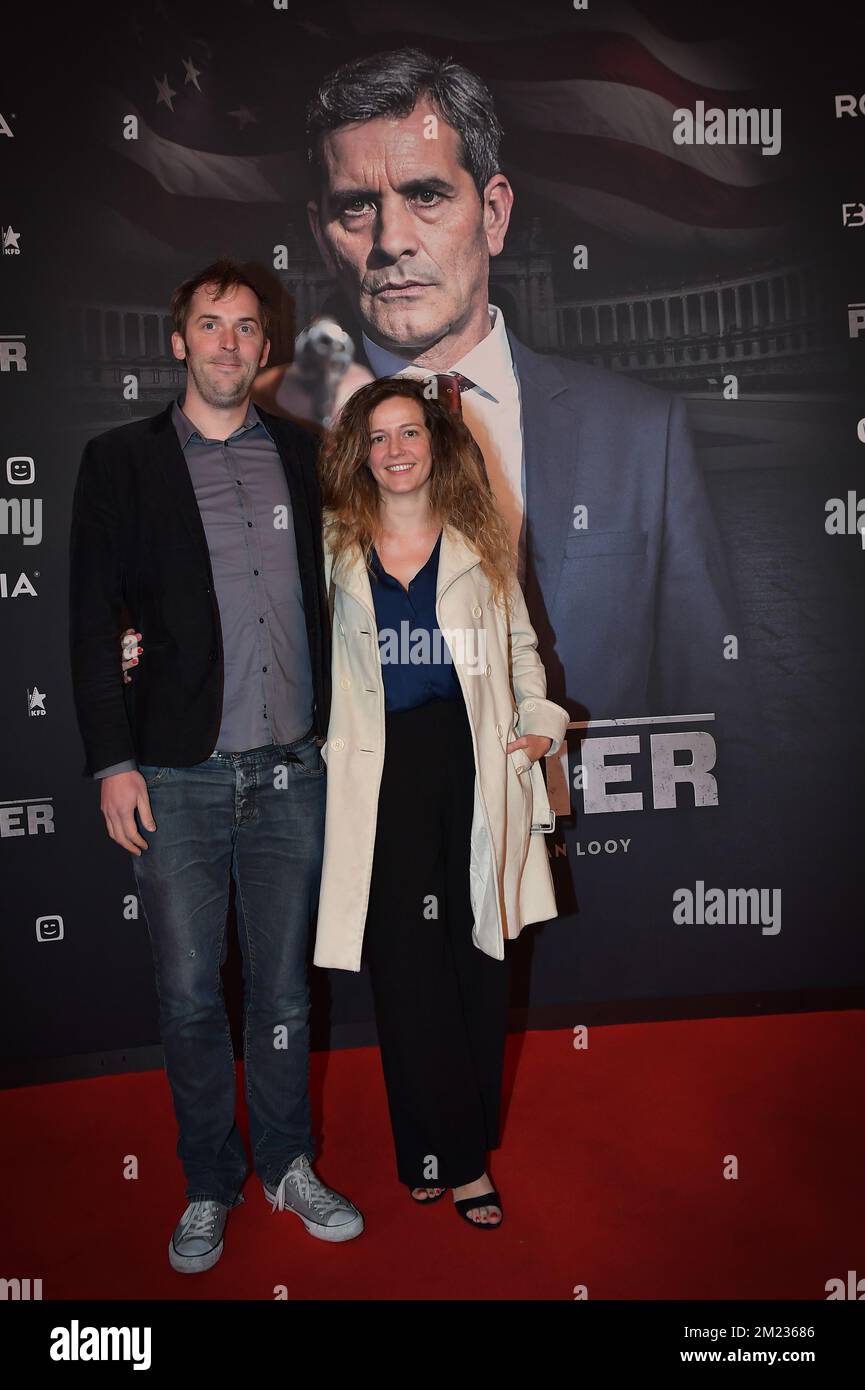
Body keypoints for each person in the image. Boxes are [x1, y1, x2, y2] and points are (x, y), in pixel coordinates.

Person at [68, 258, 363, 1274]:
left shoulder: (307, 453)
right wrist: (112, 758)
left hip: (291, 769)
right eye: (210, 323)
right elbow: (89, 623)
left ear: (266, 346)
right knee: (192, 995)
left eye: (246, 325)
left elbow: (351, 591)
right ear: (178, 340)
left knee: (282, 994)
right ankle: (208, 1179)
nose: (229, 341)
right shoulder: (118, 462)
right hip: (177, 772)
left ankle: (286, 1162)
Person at [312, 375, 569, 1225]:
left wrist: (537, 721)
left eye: (408, 433)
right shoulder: (330, 547)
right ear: (360, 452)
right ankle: (424, 1148)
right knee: (404, 969)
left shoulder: (479, 539)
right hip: (377, 772)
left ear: (435, 443)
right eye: (377, 437)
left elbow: (522, 645)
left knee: (476, 959)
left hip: (470, 759)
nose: (393, 450)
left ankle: (464, 1162)